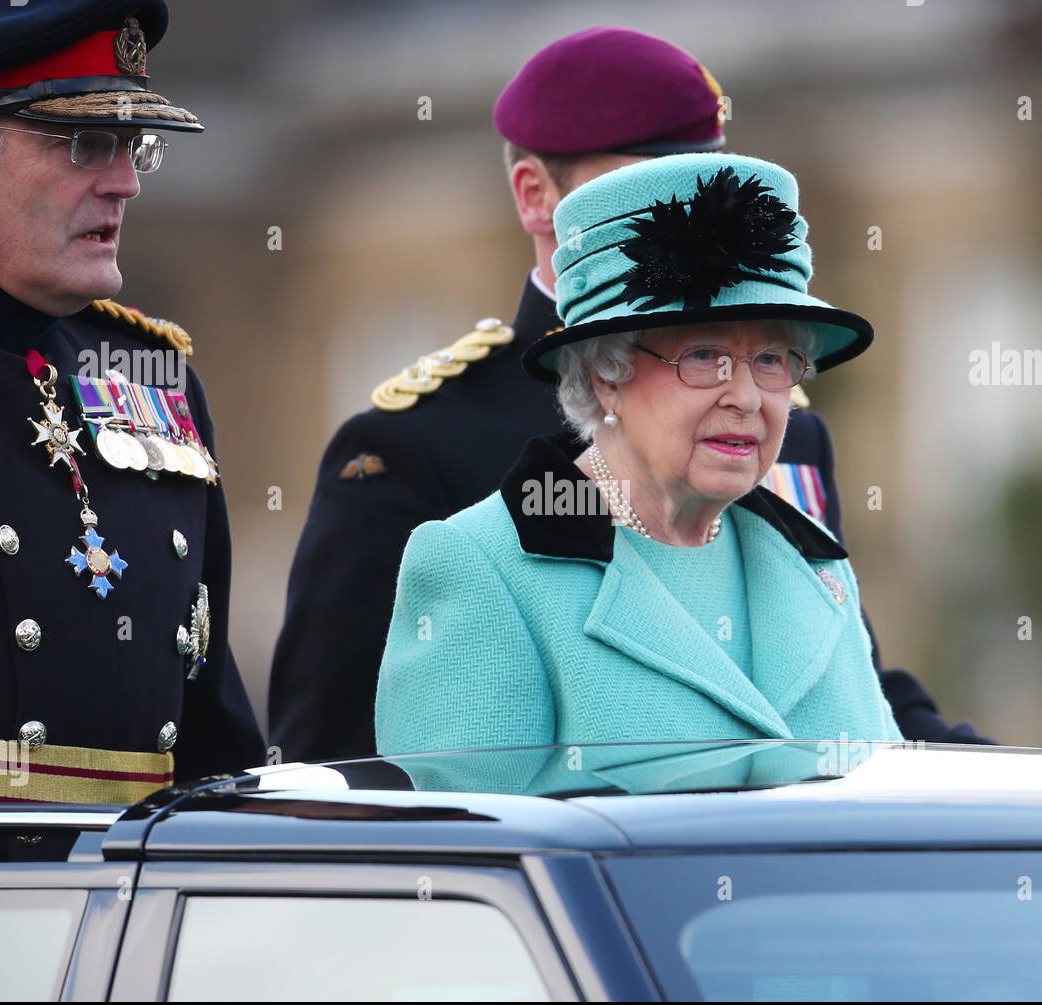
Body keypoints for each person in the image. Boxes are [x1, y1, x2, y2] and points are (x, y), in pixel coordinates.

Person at [271, 27, 990, 768]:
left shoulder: (792, 472)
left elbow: (852, 697)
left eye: (773, 359)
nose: (691, 202)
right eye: (702, 356)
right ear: (534, 196)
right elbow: (350, 773)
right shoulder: (425, 455)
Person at [377, 154, 903, 794]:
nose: (746, 395)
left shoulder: (818, 566)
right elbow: (470, 860)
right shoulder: (483, 566)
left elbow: (887, 805)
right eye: (704, 356)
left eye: (771, 358)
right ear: (606, 374)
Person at [0, 0, 263, 806]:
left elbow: (211, 722)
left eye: (132, 146)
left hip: (124, 914)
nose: (126, 183)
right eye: (84, 145)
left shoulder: (151, 374)